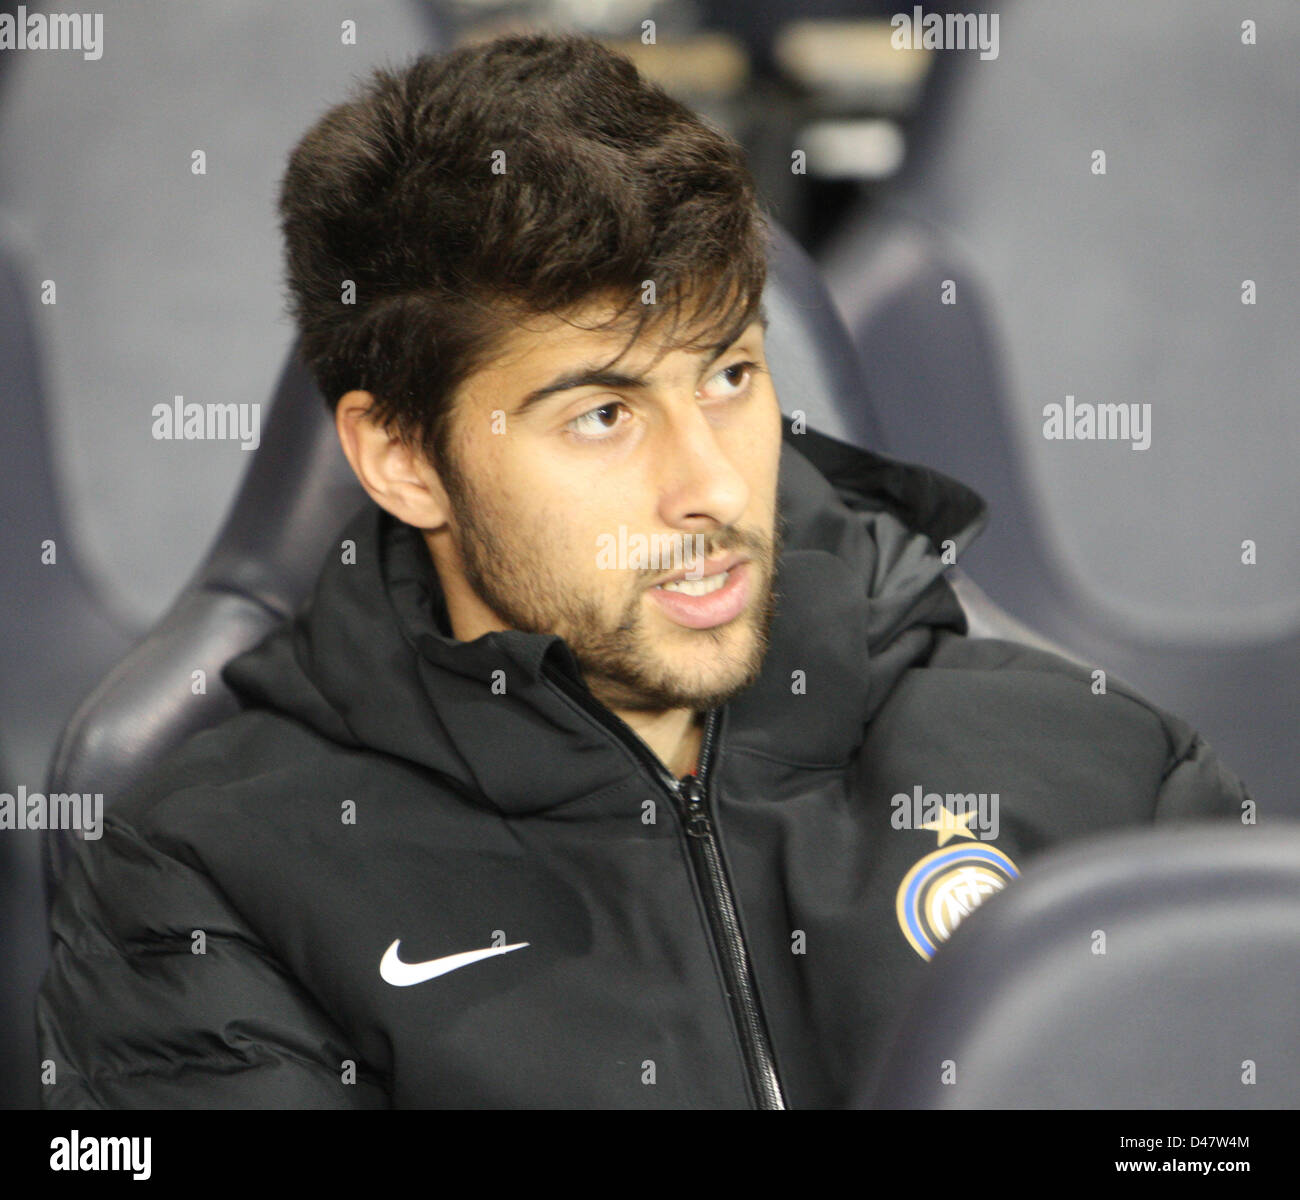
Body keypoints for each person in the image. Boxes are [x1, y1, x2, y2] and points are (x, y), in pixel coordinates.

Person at [36, 32, 1248, 1109]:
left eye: (729, 375)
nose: (712, 487)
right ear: (402, 459)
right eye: (603, 415)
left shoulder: (1103, 772)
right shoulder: (209, 879)